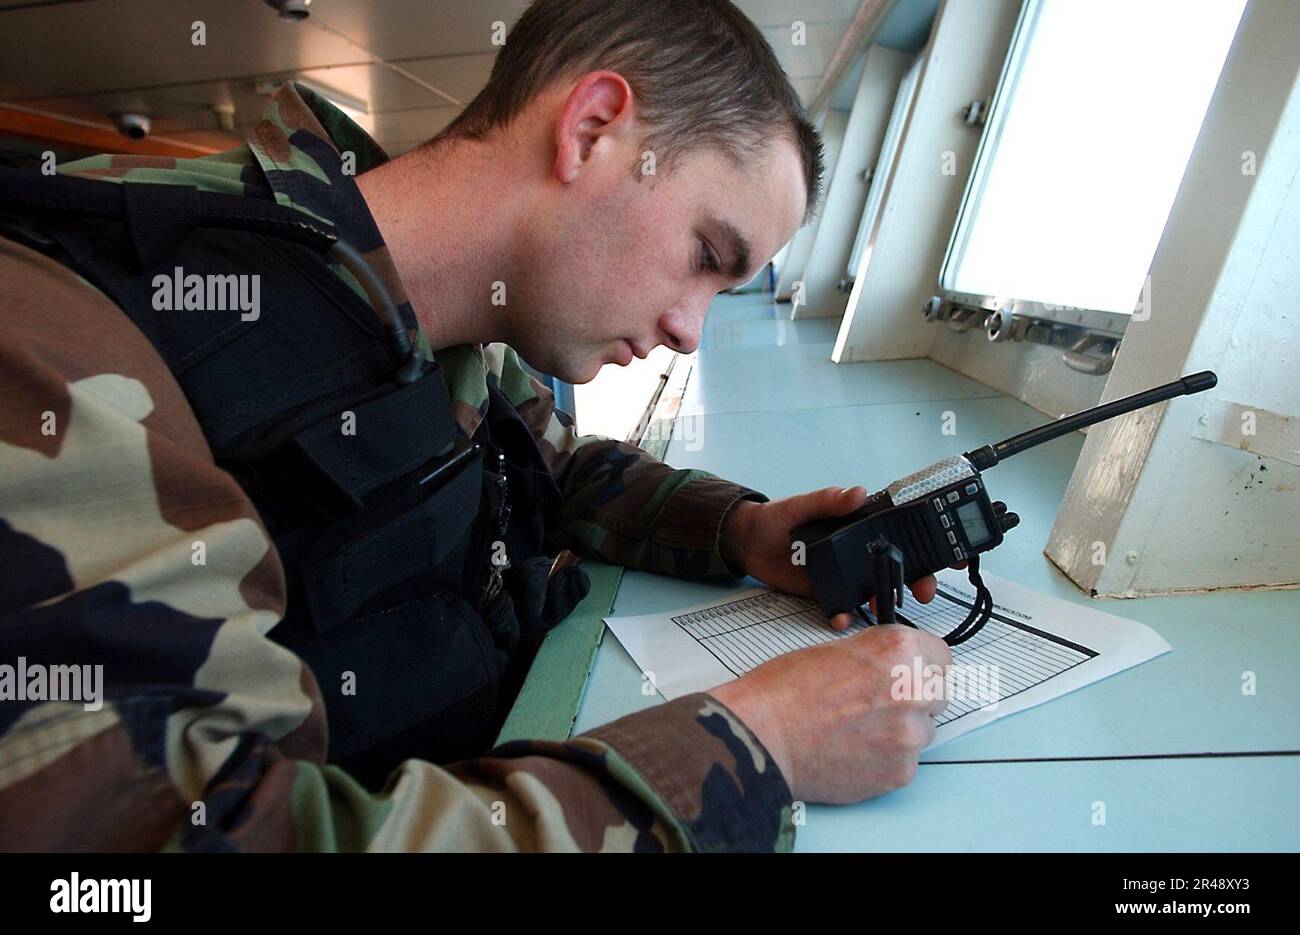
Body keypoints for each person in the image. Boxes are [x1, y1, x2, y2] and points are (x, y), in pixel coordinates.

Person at [0, 0, 951, 852]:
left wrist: (742, 532)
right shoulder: (69, 343)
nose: (689, 332)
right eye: (705, 254)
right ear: (592, 130)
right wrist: (753, 751)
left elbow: (557, 470)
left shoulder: (434, 319)